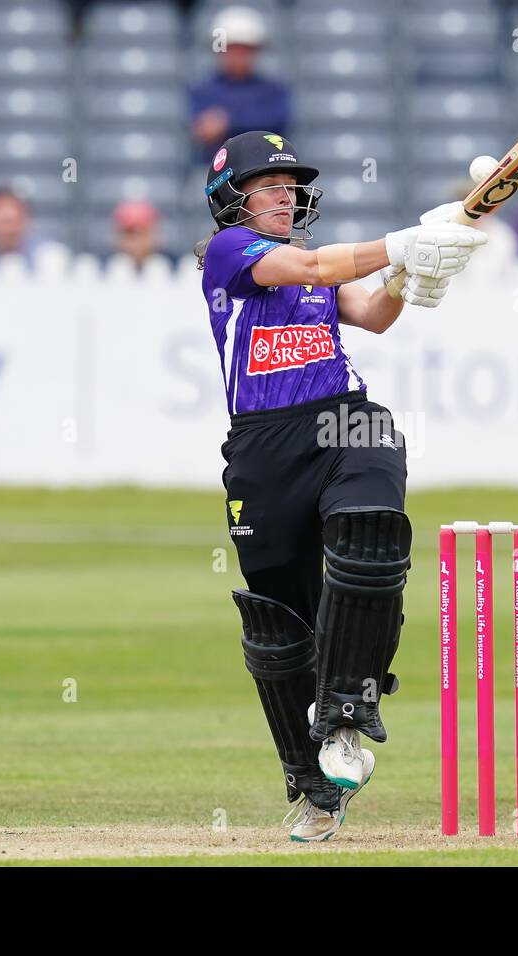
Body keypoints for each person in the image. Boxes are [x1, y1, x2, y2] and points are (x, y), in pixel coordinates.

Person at [198, 130, 486, 842]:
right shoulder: (231, 253)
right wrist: (406, 243)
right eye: (267, 185)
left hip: (342, 420)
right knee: (280, 626)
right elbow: (317, 263)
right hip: (263, 448)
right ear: (232, 199)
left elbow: (377, 316)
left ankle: (348, 717)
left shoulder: (313, 271)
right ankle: (316, 787)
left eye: (290, 186)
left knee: (371, 532)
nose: (283, 196)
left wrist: (417, 279)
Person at [188, 7, 289, 164]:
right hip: (214, 174)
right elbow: (200, 130)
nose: (237, 56)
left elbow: (277, 122)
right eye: (230, 49)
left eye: (244, 50)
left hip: (262, 172)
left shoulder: (273, 91)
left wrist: (227, 122)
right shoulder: (203, 90)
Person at [0, 187, 66, 267]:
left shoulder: (49, 254)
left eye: (14, 221)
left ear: (29, 221)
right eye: (2, 222)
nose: (8, 230)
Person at [110, 200, 173, 271]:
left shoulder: (173, 267)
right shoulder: (105, 268)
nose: (137, 242)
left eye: (143, 232)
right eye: (130, 233)